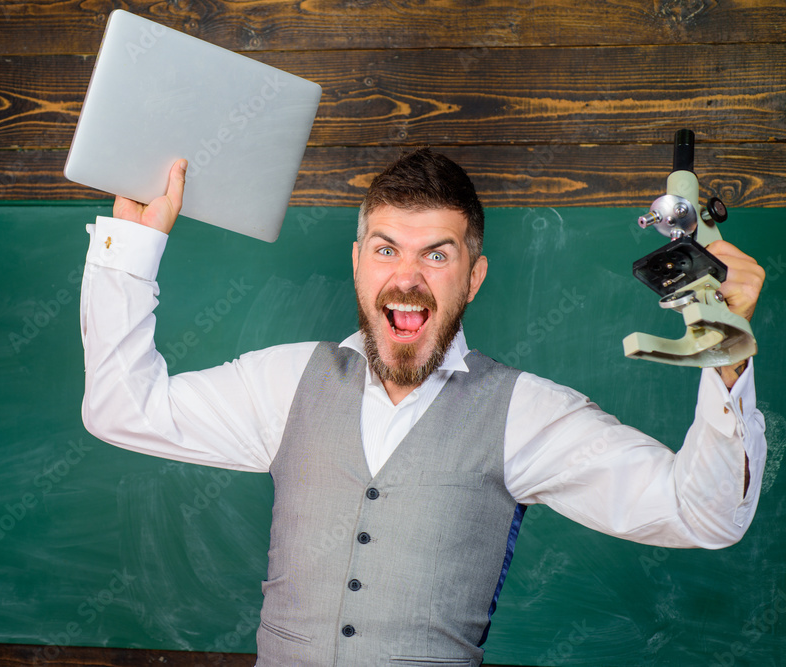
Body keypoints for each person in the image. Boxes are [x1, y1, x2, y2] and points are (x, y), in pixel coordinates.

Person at [79, 148, 767, 666]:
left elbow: (704, 512)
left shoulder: (525, 414)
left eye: (436, 255)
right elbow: (122, 406)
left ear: (474, 276)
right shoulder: (287, 383)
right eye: (386, 249)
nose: (404, 277)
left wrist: (730, 356)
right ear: (358, 263)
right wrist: (134, 243)